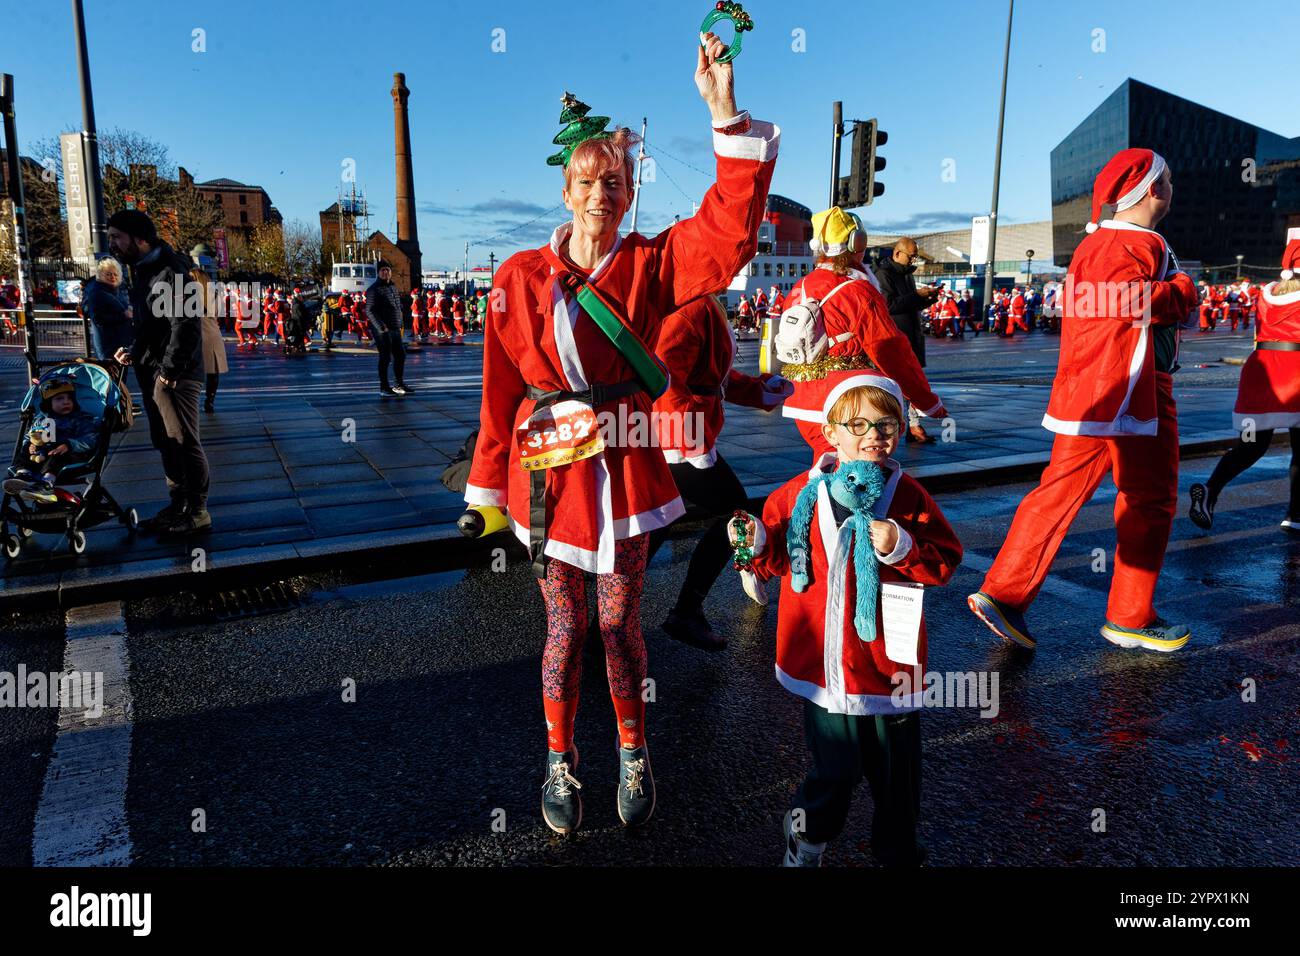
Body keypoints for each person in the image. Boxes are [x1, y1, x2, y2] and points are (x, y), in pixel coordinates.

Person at [463, 38, 779, 836]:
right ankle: (560, 757)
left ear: (631, 189)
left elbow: (727, 234)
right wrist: (484, 491)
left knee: (619, 625)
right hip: (548, 482)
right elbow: (501, 392)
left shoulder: (651, 264)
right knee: (565, 629)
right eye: (588, 181)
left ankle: (634, 748)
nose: (602, 192)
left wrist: (722, 114)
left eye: (616, 180)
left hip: (628, 476)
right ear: (565, 190)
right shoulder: (517, 278)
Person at [967, 148, 1199, 653]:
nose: (1173, 190)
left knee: (1058, 492)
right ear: (1154, 191)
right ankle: (1130, 616)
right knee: (1149, 499)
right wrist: (1182, 290)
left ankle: (1004, 592)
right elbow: (1128, 302)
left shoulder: (1093, 247)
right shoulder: (1140, 243)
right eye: (1171, 180)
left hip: (1087, 392)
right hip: (1135, 388)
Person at [728, 375, 962, 867]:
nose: (874, 433)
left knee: (898, 777)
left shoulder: (909, 496)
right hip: (825, 666)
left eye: (886, 423)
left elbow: (945, 560)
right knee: (835, 770)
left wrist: (903, 546)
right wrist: (755, 541)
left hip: (888, 663)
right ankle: (808, 836)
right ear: (830, 432)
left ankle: (898, 854)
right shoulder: (797, 495)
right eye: (858, 424)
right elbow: (776, 559)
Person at [647, 294, 793, 649]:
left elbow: (714, 379)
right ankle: (685, 610)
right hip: (676, 440)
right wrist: (689, 441)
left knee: (657, 525)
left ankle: (606, 624)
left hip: (677, 436)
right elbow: (667, 380)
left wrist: (759, 391)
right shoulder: (688, 310)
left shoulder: (700, 303)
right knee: (737, 514)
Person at [781, 207, 946, 460]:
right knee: (859, 483)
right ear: (855, 241)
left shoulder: (800, 286)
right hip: (848, 403)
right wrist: (928, 401)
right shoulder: (857, 290)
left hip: (804, 404)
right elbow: (890, 350)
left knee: (825, 471)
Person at [106, 208, 212, 535]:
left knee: (183, 441)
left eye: (117, 238)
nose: (112, 244)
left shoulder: (172, 271)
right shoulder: (142, 269)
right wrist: (135, 350)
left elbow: (187, 327)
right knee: (165, 441)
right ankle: (177, 504)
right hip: (154, 370)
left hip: (175, 375)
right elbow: (154, 325)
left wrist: (168, 374)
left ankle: (197, 512)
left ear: (140, 239)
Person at [1189, 230, 1300, 534]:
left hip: (1260, 372)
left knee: (1250, 446)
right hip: (1295, 374)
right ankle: (1294, 514)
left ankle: (1211, 490)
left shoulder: (1268, 293)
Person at [874, 238, 945, 443]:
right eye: (911, 255)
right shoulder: (884, 274)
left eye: (915, 255)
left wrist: (928, 298)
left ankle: (914, 426)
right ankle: (891, 426)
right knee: (895, 386)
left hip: (911, 335)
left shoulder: (906, 274)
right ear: (897, 253)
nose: (914, 259)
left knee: (914, 383)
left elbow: (909, 305)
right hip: (895, 338)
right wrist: (917, 296)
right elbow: (889, 306)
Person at [3, 377, 100, 505]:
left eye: (69, 398)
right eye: (59, 399)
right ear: (49, 403)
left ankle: (46, 485)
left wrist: (69, 445)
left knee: (56, 455)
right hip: (41, 454)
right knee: (25, 449)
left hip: (70, 453)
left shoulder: (80, 419)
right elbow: (30, 435)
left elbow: (90, 439)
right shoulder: (41, 419)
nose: (66, 402)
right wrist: (31, 444)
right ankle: (23, 475)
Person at [365, 261, 408, 396]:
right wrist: (380, 326)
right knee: (385, 358)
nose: (385, 272)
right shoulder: (374, 289)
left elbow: (397, 307)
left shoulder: (393, 287)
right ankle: (384, 387)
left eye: (387, 270)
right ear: (378, 272)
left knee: (400, 355)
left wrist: (400, 322)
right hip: (382, 329)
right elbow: (370, 310)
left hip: (394, 327)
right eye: (383, 270)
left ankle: (398, 384)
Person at [81, 257, 135, 363]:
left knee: (119, 376)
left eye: (115, 274)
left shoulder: (115, 291)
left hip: (120, 343)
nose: (113, 277)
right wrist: (124, 316)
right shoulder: (97, 293)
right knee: (111, 374)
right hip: (108, 345)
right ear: (101, 275)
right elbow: (97, 319)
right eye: (108, 274)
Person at [192, 268, 228, 414]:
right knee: (213, 371)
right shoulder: (213, 294)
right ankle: (210, 401)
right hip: (212, 333)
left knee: (193, 371)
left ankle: (193, 401)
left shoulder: (189, 293)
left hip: (196, 334)